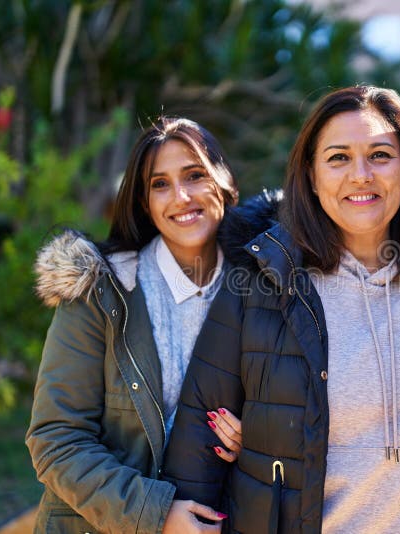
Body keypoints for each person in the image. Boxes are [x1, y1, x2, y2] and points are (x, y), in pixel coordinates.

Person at [162, 85, 400, 533]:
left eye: (381, 155)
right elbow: (197, 445)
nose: (361, 175)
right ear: (311, 176)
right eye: (338, 158)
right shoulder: (264, 280)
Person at [26, 116, 244, 533]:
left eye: (194, 175)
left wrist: (255, 437)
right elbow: (55, 439)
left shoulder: (263, 291)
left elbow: (291, 412)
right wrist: (156, 515)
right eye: (159, 184)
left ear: (224, 183)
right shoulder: (100, 294)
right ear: (144, 203)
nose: (181, 197)